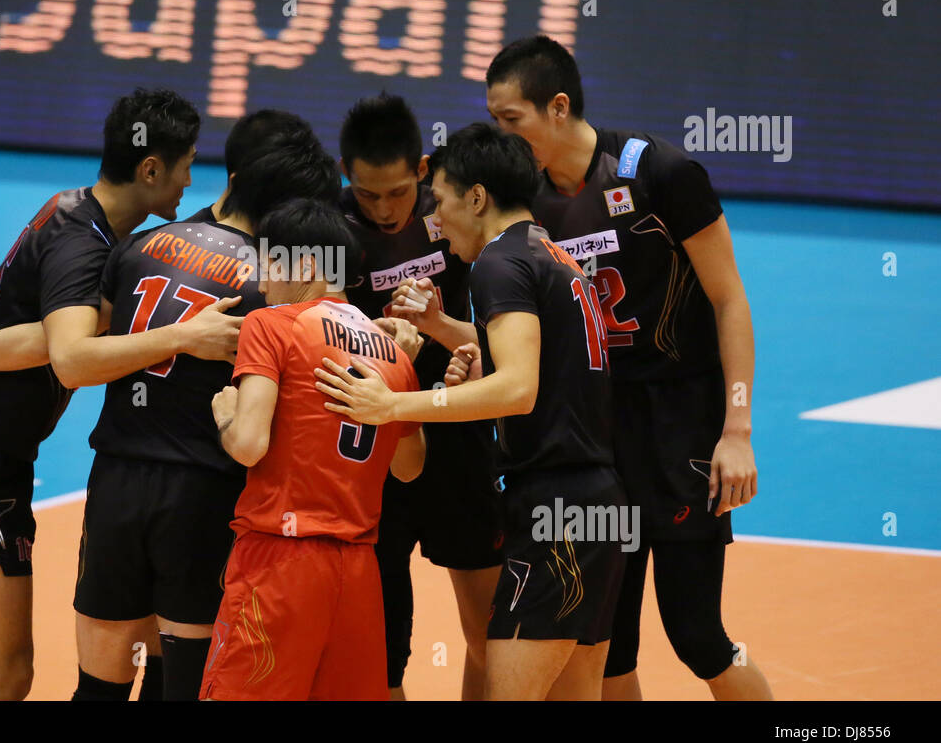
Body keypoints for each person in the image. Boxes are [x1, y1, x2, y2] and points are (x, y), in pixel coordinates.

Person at [0, 88, 236, 700]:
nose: (193, 177)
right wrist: (185, 336)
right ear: (150, 168)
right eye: (187, 162)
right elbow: (70, 355)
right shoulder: (83, 241)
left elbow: (54, 331)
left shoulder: (79, 216)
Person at [484, 34, 772, 700]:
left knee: (698, 633)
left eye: (511, 119)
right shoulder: (522, 200)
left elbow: (729, 300)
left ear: (557, 107)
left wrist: (737, 429)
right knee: (605, 645)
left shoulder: (659, 173)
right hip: (594, 438)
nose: (501, 133)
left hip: (680, 431)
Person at [317, 123, 629, 700]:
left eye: (440, 199)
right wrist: (439, 327)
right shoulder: (551, 255)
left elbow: (517, 388)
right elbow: (534, 358)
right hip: (598, 504)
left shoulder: (497, 263)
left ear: (477, 197)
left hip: (554, 509)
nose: (436, 216)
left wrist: (393, 405)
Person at [71, 113, 341, 701]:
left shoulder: (139, 246)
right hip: (205, 494)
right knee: (185, 685)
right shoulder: (271, 289)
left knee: (97, 687)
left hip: (115, 480)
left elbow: (84, 351)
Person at [201, 199, 426, 700]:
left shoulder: (271, 324)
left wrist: (224, 415)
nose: (261, 284)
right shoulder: (394, 350)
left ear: (306, 265)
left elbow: (249, 445)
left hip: (281, 561)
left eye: (269, 265)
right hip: (359, 571)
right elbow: (410, 468)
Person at [337, 92, 501, 701]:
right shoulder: (331, 231)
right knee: (381, 648)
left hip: (458, 430)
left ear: (424, 171)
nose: (383, 209)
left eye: (398, 192)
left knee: (489, 629)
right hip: (377, 446)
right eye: (367, 193)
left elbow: (499, 328)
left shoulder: (455, 218)